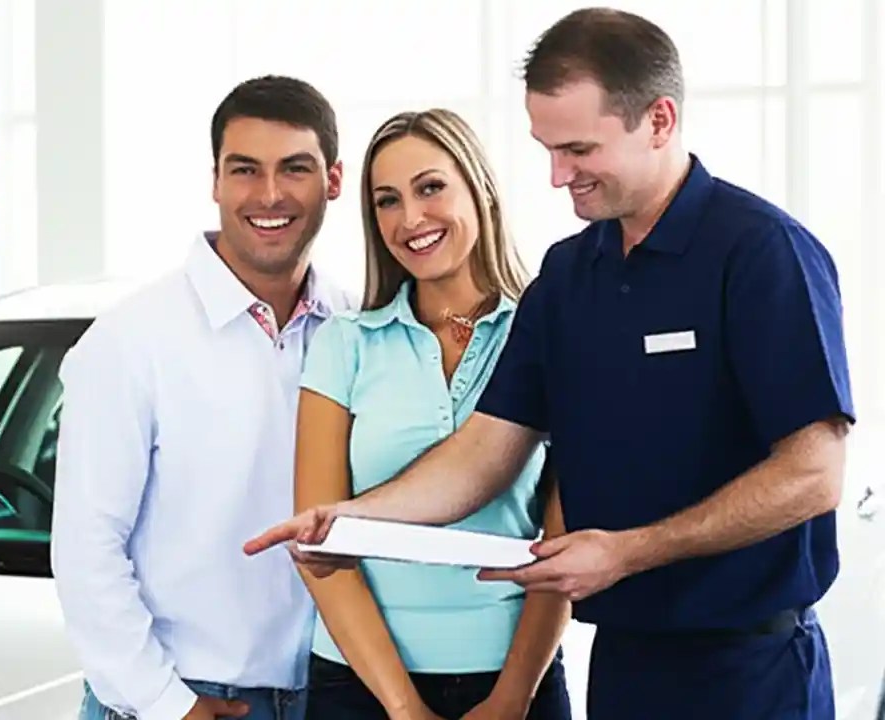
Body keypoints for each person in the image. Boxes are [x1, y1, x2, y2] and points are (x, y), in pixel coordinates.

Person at [245, 9, 853, 720]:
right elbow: (484, 454)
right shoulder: (568, 278)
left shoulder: (761, 253)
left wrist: (629, 552)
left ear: (659, 121)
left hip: (751, 668)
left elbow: (816, 472)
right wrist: (345, 521)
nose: (559, 175)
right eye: (548, 149)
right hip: (625, 663)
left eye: (578, 149)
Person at [51, 74, 353, 720]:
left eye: (294, 169)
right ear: (215, 181)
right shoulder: (132, 340)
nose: (269, 194)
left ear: (332, 179)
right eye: (245, 169)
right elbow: (85, 549)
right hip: (181, 701)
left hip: (336, 697)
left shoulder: (358, 327)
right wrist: (167, 705)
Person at [292, 108, 572, 720]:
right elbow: (322, 544)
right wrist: (403, 708)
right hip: (359, 686)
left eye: (430, 187)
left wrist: (512, 697)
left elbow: (562, 541)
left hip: (516, 679)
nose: (410, 218)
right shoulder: (345, 344)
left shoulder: (549, 333)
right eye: (387, 201)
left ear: (480, 188)